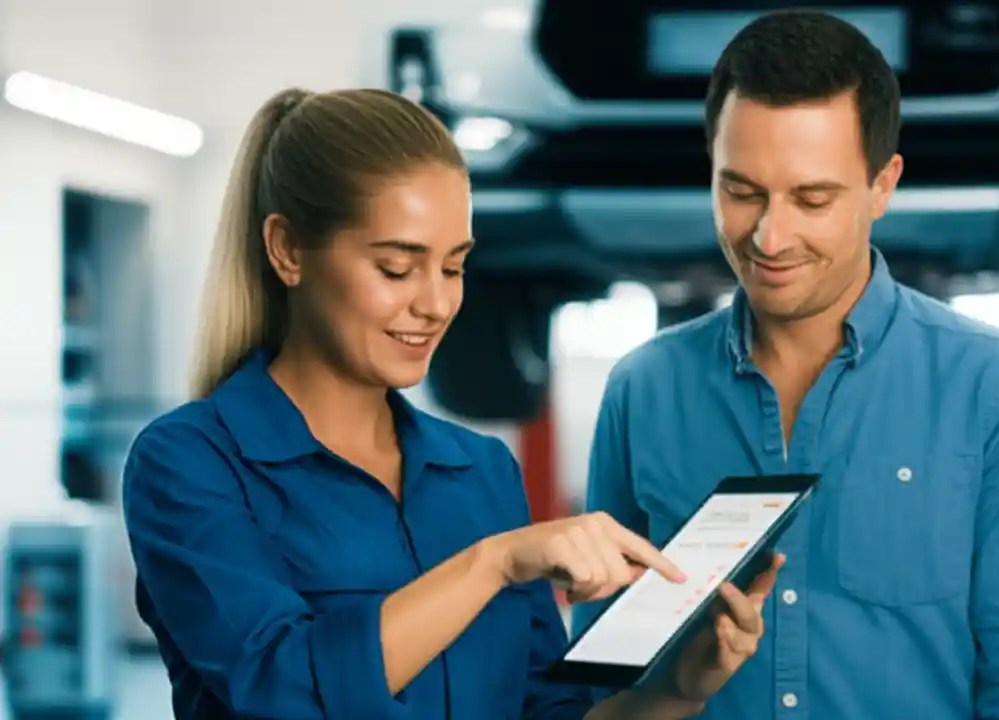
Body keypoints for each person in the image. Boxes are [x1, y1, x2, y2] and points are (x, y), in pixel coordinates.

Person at [121, 86, 783, 720]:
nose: (436, 304)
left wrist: (673, 691)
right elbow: (280, 687)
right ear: (288, 250)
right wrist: (491, 563)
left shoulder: (480, 471)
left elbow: (543, 711)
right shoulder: (190, 463)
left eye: (453, 267)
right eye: (396, 268)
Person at [573, 10, 999, 719]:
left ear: (883, 185)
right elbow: (600, 689)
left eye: (812, 199)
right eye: (741, 192)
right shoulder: (643, 393)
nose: (770, 236)